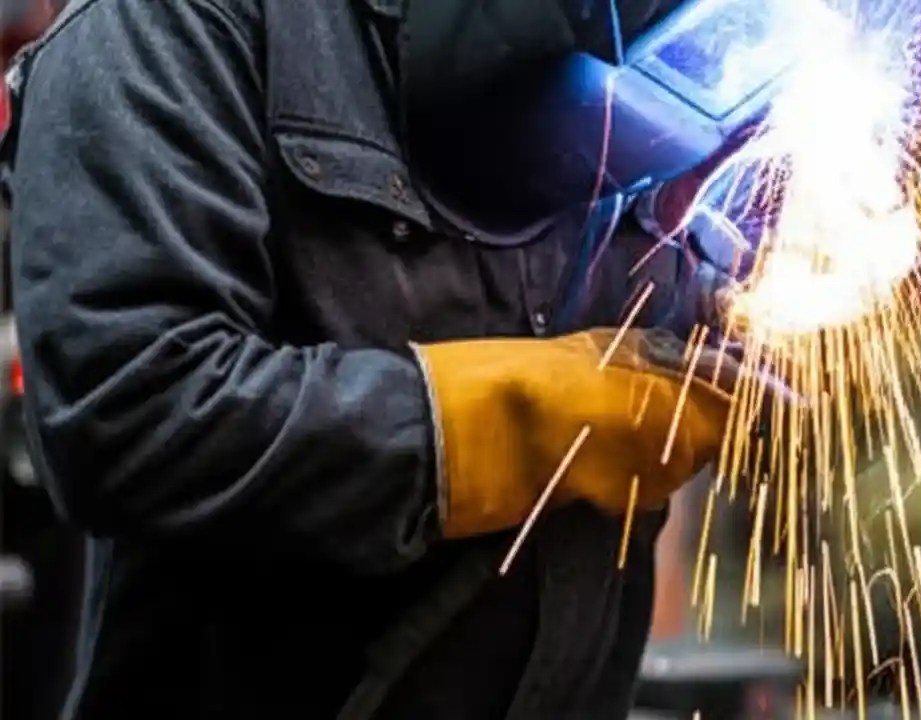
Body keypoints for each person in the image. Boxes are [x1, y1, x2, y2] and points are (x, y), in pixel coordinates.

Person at [0, 0, 748, 717]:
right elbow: (129, 413)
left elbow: (671, 295)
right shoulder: (175, 23)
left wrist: (768, 315)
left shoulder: (626, 30)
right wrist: (499, 423)